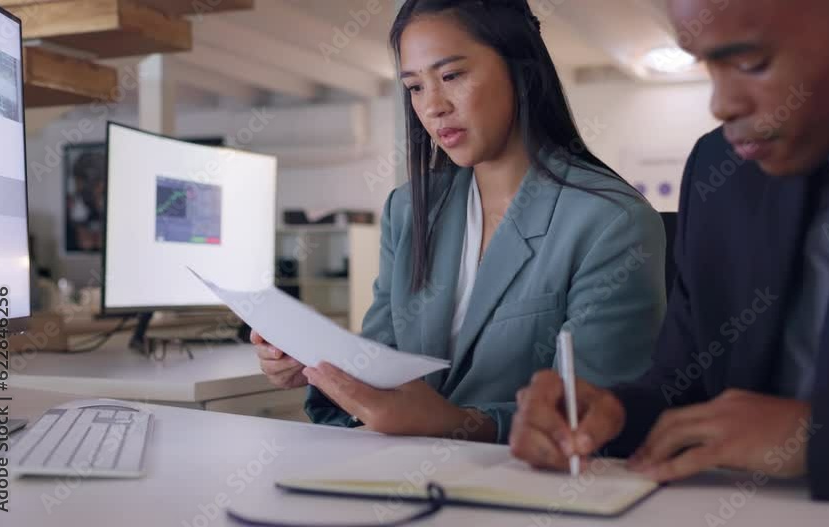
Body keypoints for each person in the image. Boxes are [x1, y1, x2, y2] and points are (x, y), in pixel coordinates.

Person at [509, 0, 829, 512]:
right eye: (707, 64)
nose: (721, 103)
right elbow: (688, 382)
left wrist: (815, 436)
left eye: (751, 62)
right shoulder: (722, 174)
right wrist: (615, 413)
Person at [253, 0, 667, 444]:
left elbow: (599, 416)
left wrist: (454, 423)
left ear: (520, 69)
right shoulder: (408, 210)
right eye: (414, 87)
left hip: (533, 490)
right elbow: (382, 360)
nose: (433, 106)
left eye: (451, 76)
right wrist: (322, 363)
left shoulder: (609, 222)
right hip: (397, 478)